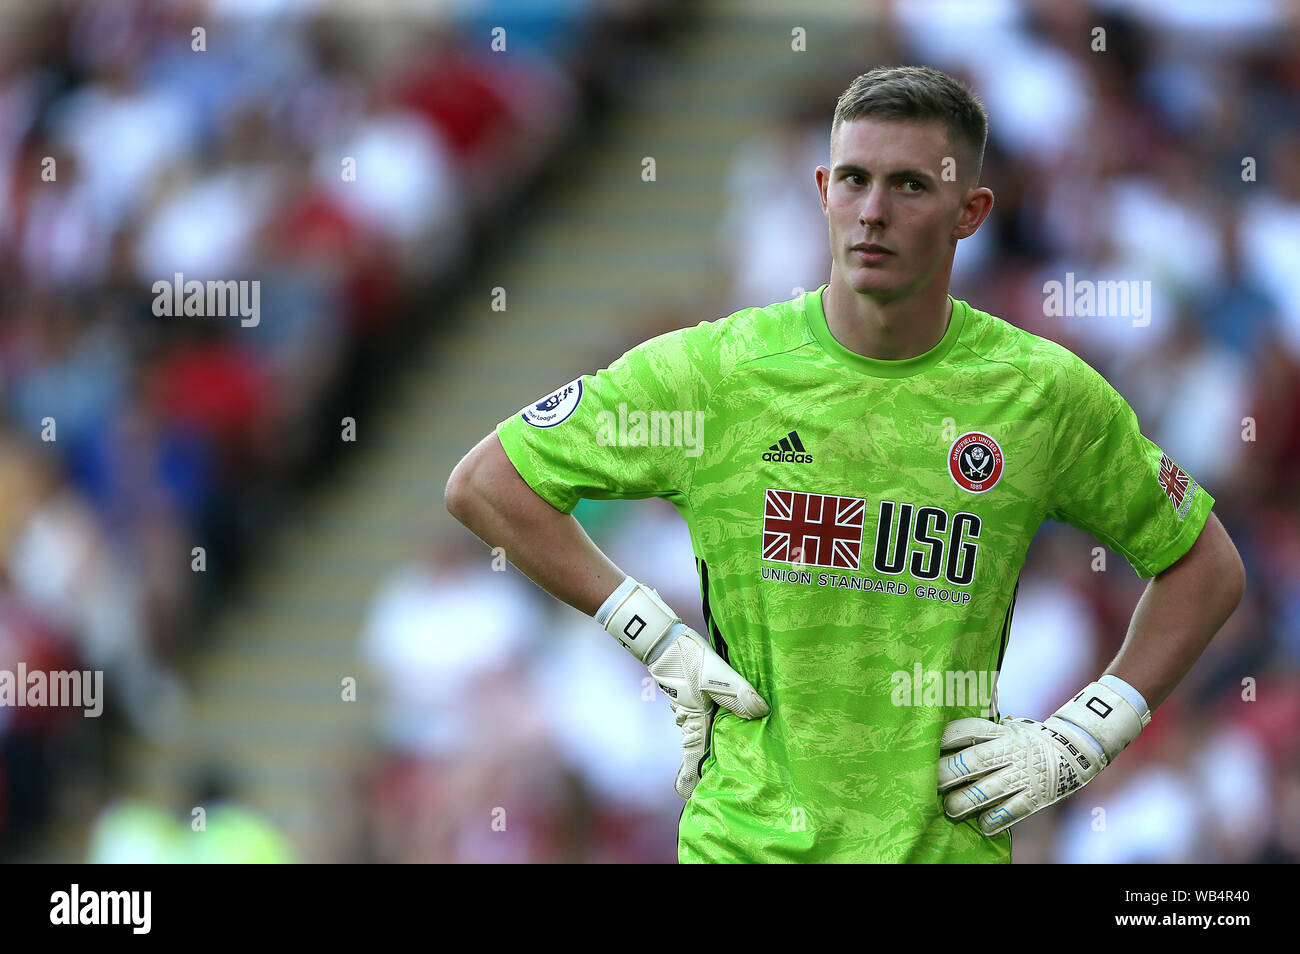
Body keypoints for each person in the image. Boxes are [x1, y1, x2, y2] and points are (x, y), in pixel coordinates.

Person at [444, 65, 1246, 863]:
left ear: (970, 212)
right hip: (745, 847)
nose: (872, 213)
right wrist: (654, 635)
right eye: (855, 181)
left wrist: (1085, 735)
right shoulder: (716, 374)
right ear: (823, 189)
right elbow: (488, 483)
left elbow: (1203, 565)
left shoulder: (1041, 395)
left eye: (908, 187)